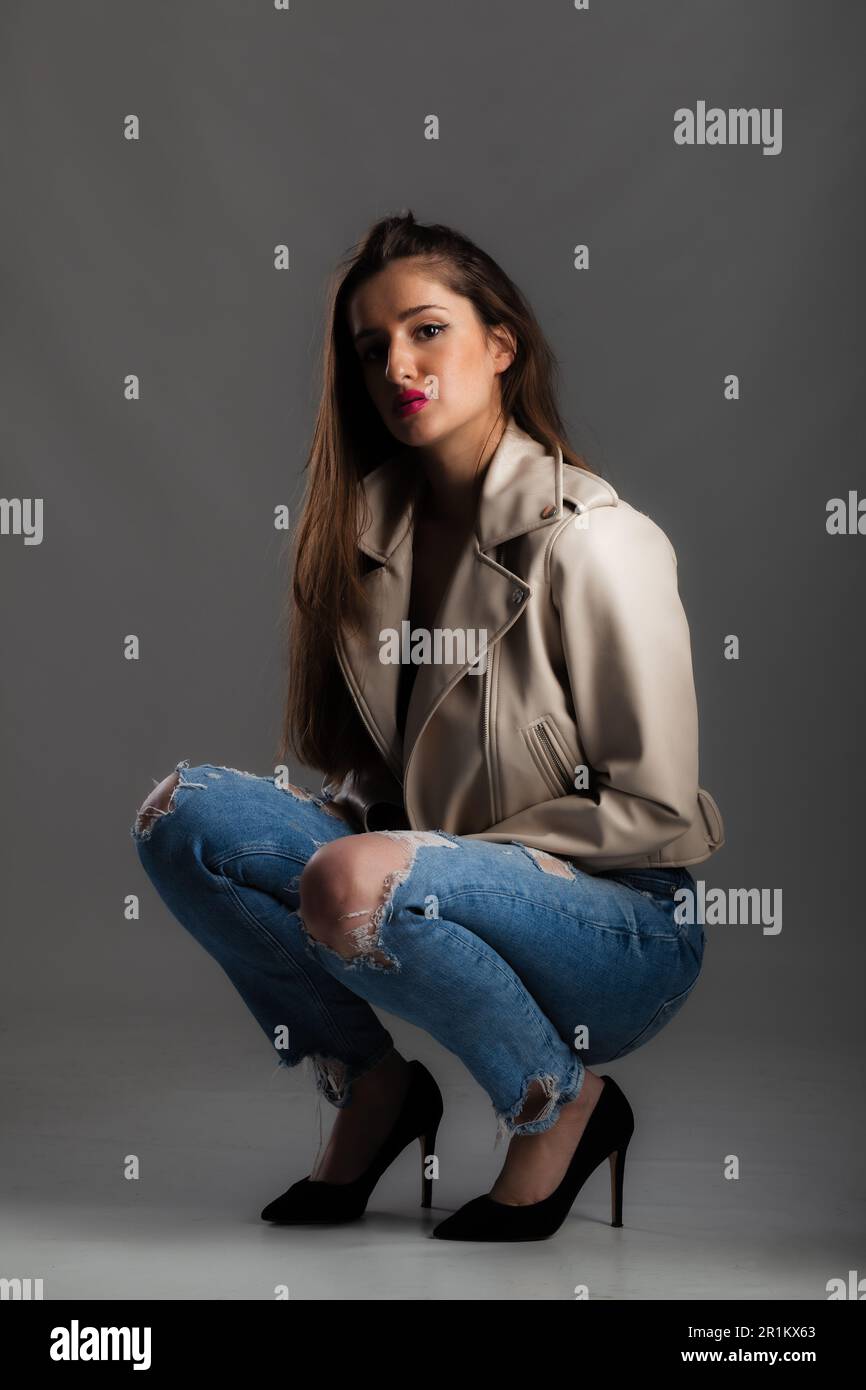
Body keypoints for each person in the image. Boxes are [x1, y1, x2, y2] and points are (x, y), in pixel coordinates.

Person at [131, 210, 725, 1243]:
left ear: (500, 345)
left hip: (618, 928)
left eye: (426, 331)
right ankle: (372, 1091)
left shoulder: (594, 541)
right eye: (373, 349)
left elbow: (657, 809)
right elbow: (382, 779)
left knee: (354, 877)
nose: (398, 365)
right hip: (434, 878)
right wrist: (373, 837)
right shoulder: (364, 539)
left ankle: (559, 1103)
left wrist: (421, 858)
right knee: (180, 820)